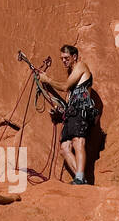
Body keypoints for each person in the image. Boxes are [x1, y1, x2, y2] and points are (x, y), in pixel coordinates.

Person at [39, 44, 97, 184]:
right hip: (72, 113)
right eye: (62, 59)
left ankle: (79, 178)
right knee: (64, 149)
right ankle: (81, 178)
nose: (64, 61)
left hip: (81, 110)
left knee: (78, 141)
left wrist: (47, 80)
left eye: (66, 58)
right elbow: (68, 99)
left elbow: (65, 86)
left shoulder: (81, 66)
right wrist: (59, 111)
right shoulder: (73, 75)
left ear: (74, 57)